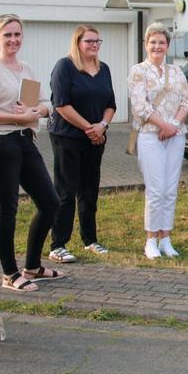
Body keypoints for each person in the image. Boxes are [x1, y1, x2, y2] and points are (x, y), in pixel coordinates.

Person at [0, 14, 67, 293]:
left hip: (25, 141)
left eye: (17, 35)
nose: (13, 40)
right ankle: (9, 273)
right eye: (7, 35)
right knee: (8, 208)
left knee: (50, 202)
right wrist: (20, 118)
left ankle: (32, 266)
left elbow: (42, 103)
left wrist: (37, 112)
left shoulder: (25, 68)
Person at [47, 25, 116, 263]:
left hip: (96, 138)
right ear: (78, 43)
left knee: (89, 190)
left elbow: (111, 104)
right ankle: (58, 244)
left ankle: (90, 240)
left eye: (98, 41)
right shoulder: (64, 67)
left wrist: (102, 127)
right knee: (66, 191)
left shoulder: (103, 69)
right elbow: (62, 105)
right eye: (89, 41)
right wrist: (90, 128)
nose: (94, 45)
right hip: (67, 137)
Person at [128, 23, 188, 260]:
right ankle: (151, 240)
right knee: (155, 190)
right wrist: (163, 125)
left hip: (176, 135)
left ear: (168, 45)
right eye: (153, 42)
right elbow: (139, 106)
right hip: (150, 135)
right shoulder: (138, 71)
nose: (157, 46)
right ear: (146, 45)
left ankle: (166, 238)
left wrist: (174, 125)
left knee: (170, 189)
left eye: (161, 42)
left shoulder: (177, 72)